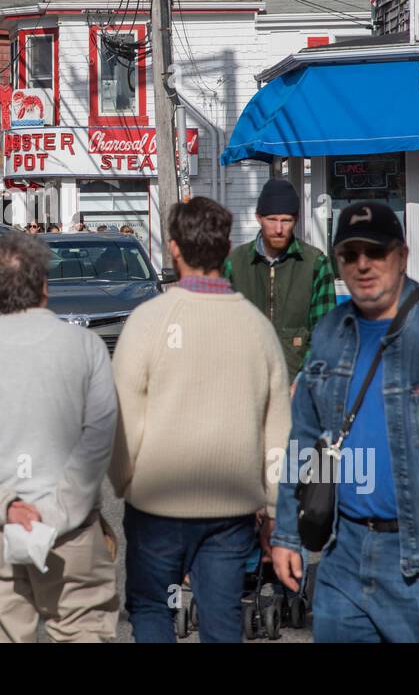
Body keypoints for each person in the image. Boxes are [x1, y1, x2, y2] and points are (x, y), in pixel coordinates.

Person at [271, 200, 419, 643]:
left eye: (376, 252)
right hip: (343, 559)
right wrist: (286, 533)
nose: (363, 265)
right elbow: (305, 439)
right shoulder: (330, 331)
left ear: (402, 256)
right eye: (350, 255)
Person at [111, 197, 290, 643]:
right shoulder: (256, 327)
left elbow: (123, 420)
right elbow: (277, 433)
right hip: (231, 505)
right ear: (227, 248)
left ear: (174, 249)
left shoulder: (148, 321)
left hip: (157, 501)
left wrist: (124, 482)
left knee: (152, 607)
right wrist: (271, 507)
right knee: (222, 616)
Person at [0, 230, 119, 642]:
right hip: (71, 531)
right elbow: (99, 435)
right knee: (83, 631)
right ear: (45, 287)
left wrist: (5, 505)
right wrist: (60, 510)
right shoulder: (85, 348)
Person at [223, 178, 336, 381]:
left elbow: (324, 334)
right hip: (245, 384)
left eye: (286, 220)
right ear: (258, 217)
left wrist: (303, 380)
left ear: (296, 219)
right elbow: (223, 329)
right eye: (272, 219)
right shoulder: (234, 263)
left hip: (296, 386)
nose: (278, 229)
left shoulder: (315, 264)